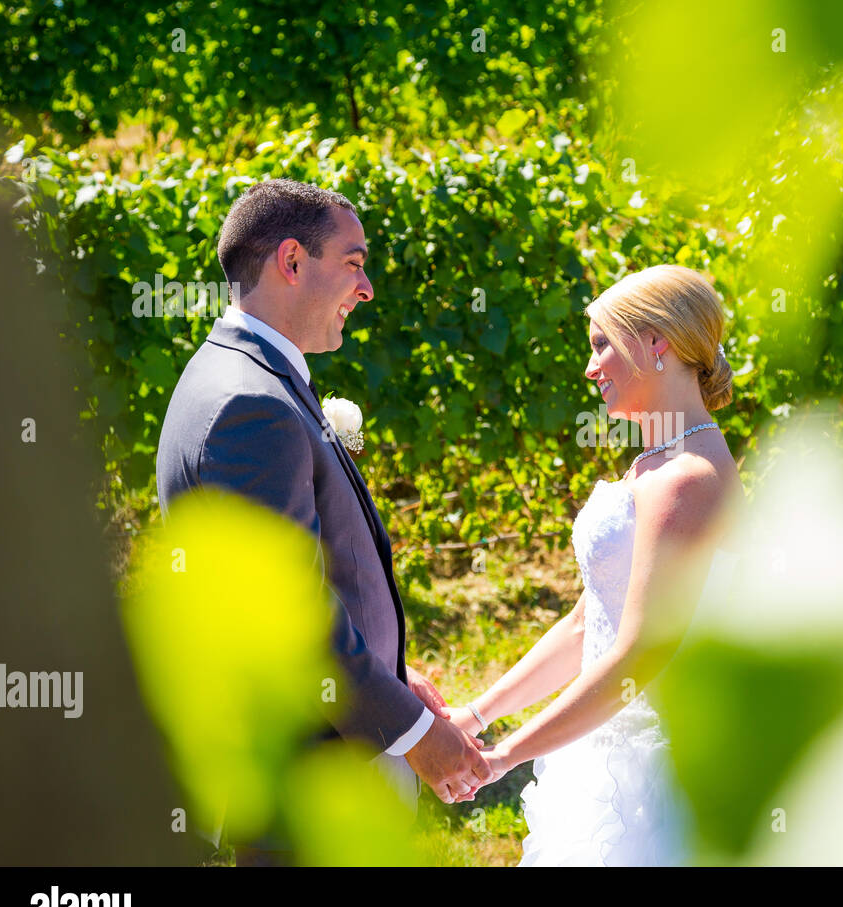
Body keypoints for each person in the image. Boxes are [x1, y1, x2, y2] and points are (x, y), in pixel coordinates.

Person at [156, 180, 490, 856]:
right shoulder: (249, 406)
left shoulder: (244, 378)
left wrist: (391, 672)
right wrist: (415, 735)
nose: (365, 288)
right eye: (354, 261)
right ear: (291, 261)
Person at [447, 264, 742, 865]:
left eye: (602, 344)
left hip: (653, 785)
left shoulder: (686, 478)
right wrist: (477, 715)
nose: (590, 367)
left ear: (656, 342)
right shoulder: (655, 465)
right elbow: (588, 624)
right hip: (602, 755)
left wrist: (505, 758)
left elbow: (639, 653)